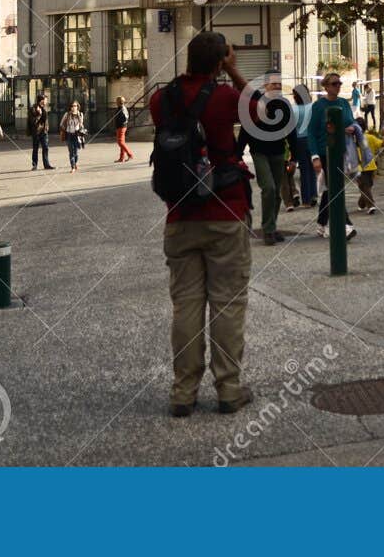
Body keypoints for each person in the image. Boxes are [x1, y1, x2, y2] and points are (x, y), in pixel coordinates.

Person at [150, 31, 254, 417]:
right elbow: (266, 112)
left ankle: (183, 392)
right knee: (227, 303)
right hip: (225, 210)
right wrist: (234, 70)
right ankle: (228, 388)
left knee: (186, 307)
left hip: (179, 215)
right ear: (219, 61)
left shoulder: (161, 99)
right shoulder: (226, 97)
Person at [308, 73, 360, 238]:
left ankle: (321, 224)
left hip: (341, 152)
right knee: (336, 189)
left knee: (330, 189)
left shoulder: (344, 103)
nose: (338, 86)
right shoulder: (318, 106)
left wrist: (351, 128)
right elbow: (311, 132)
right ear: (326, 86)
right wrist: (314, 156)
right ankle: (346, 225)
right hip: (325, 152)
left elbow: (350, 121)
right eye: (334, 83)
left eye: (339, 83)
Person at [242, 75, 289, 244]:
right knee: (268, 188)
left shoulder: (284, 105)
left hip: (278, 152)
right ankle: (268, 229)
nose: (277, 86)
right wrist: (238, 152)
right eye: (273, 84)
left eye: (279, 84)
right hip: (259, 152)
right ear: (266, 85)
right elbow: (246, 128)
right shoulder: (257, 103)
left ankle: (272, 227)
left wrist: (295, 155)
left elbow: (290, 131)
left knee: (276, 192)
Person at [289, 84, 317, 208]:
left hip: (299, 141)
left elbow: (291, 128)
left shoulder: (293, 110)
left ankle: (306, 199)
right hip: (311, 140)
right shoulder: (313, 107)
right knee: (313, 169)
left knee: (304, 170)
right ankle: (314, 195)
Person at [28, 94, 54, 171]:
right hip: (36, 132)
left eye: (46, 100)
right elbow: (33, 121)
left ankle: (47, 165)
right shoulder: (33, 108)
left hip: (44, 132)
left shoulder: (45, 108)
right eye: (45, 100)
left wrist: (47, 128)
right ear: (41, 100)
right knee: (35, 148)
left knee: (45, 147)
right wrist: (39, 114)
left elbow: (45, 120)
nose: (46, 101)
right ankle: (34, 165)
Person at [59, 101, 87, 173]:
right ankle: (73, 167)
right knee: (71, 152)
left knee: (76, 153)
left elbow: (81, 125)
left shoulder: (80, 114)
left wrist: (78, 116)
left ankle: (75, 163)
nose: (73, 107)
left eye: (75, 106)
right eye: (72, 106)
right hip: (69, 134)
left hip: (76, 135)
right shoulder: (67, 114)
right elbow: (61, 124)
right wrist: (64, 128)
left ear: (78, 107)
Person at [112, 96, 134, 163]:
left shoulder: (122, 108)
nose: (116, 102)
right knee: (122, 142)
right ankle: (121, 158)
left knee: (120, 142)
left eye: (117, 101)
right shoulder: (120, 108)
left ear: (119, 102)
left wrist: (119, 121)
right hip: (120, 126)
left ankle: (130, 155)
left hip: (121, 127)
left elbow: (125, 118)